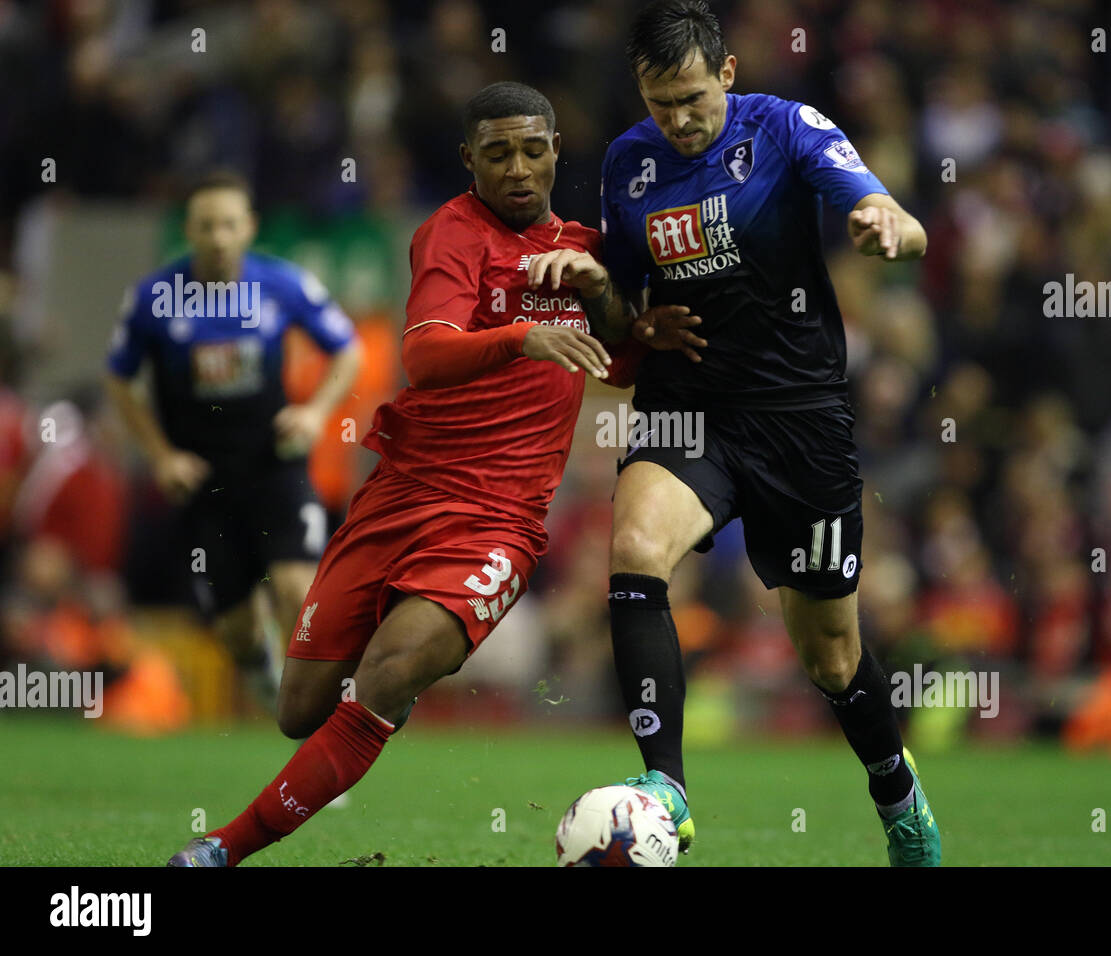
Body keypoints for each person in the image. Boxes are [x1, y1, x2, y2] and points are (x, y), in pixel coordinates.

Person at [167, 82, 701, 866]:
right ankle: (382, 707)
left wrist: (612, 306)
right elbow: (424, 354)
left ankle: (220, 849)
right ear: (468, 162)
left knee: (382, 676)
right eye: (496, 154)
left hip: (497, 523)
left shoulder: (587, 247)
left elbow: (619, 361)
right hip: (401, 496)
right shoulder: (451, 234)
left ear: (556, 151)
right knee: (299, 708)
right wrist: (524, 336)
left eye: (531, 150)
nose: (517, 168)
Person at [592, 0, 941, 864]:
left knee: (831, 657)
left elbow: (902, 222)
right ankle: (666, 789)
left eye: (691, 99)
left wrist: (886, 227)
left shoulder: (786, 130)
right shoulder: (627, 164)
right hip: (689, 406)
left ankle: (895, 792)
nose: (675, 121)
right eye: (657, 101)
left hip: (799, 420)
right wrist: (628, 322)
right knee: (635, 544)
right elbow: (621, 306)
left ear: (728, 74)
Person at [106, 171, 360, 711]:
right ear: (188, 231)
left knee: (297, 591)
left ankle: (315, 726)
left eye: (228, 224)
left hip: (276, 467)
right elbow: (118, 379)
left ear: (248, 228)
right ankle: (269, 684)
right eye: (206, 226)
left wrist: (315, 413)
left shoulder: (282, 284)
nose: (218, 237)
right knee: (238, 630)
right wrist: (161, 456)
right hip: (204, 484)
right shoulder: (153, 299)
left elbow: (348, 349)